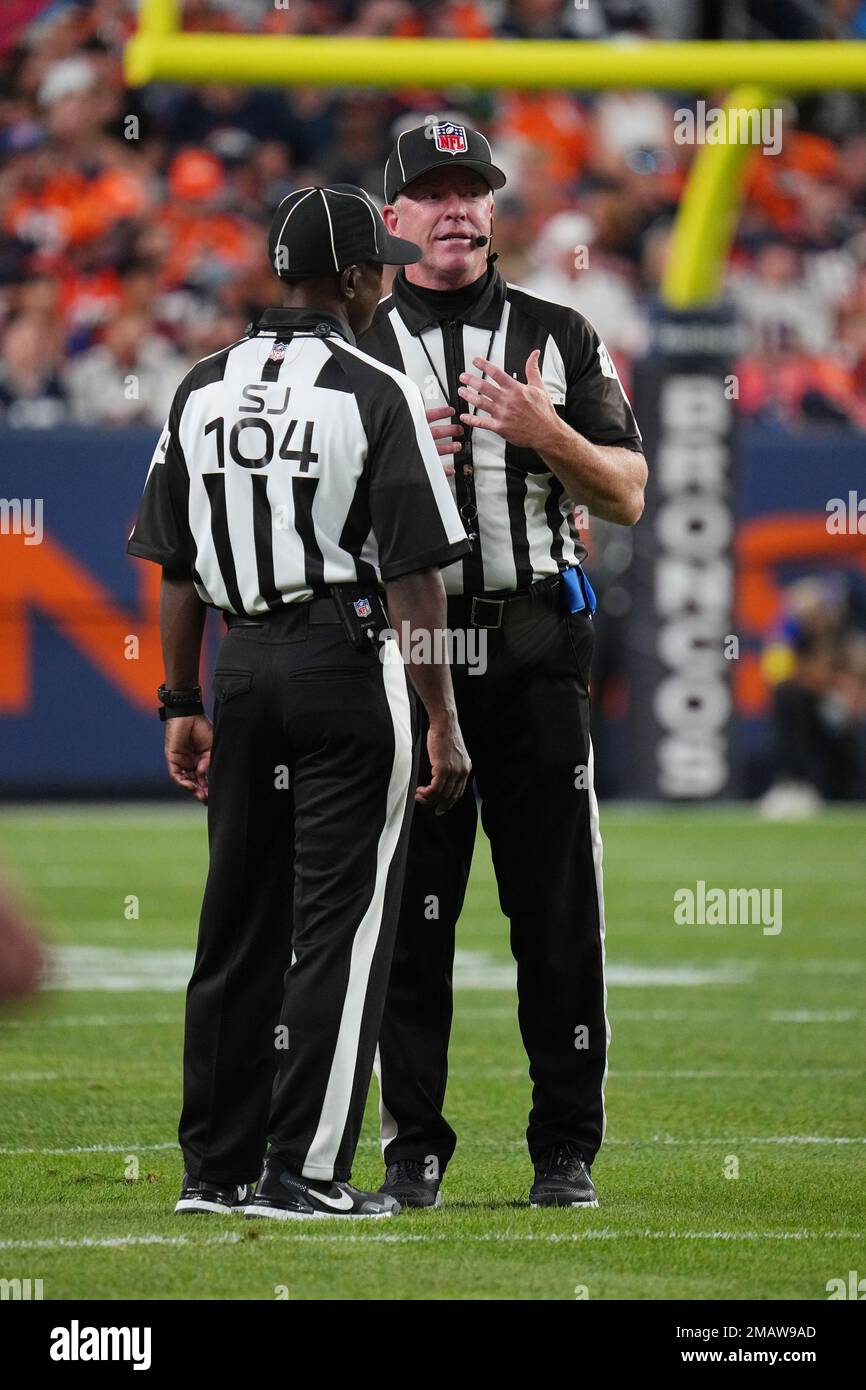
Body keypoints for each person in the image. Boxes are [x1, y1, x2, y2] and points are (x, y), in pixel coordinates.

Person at [126, 184, 471, 1220]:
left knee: (234, 921)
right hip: (341, 662)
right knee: (340, 925)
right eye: (383, 265)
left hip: (242, 665)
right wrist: (442, 716)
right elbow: (413, 572)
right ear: (360, 276)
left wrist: (180, 697)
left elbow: (175, 566)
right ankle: (301, 1168)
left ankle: (212, 1169)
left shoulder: (199, 385)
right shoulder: (375, 385)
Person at [358, 123, 647, 1209]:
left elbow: (623, 490)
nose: (453, 209)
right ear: (391, 220)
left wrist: (544, 432)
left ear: (494, 208)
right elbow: (309, 526)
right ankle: (411, 1150)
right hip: (406, 654)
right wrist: (388, 473)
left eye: (469, 190)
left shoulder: (558, 333)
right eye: (429, 193)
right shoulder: (356, 348)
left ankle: (562, 1147)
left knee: (555, 909)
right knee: (408, 919)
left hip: (530, 644)